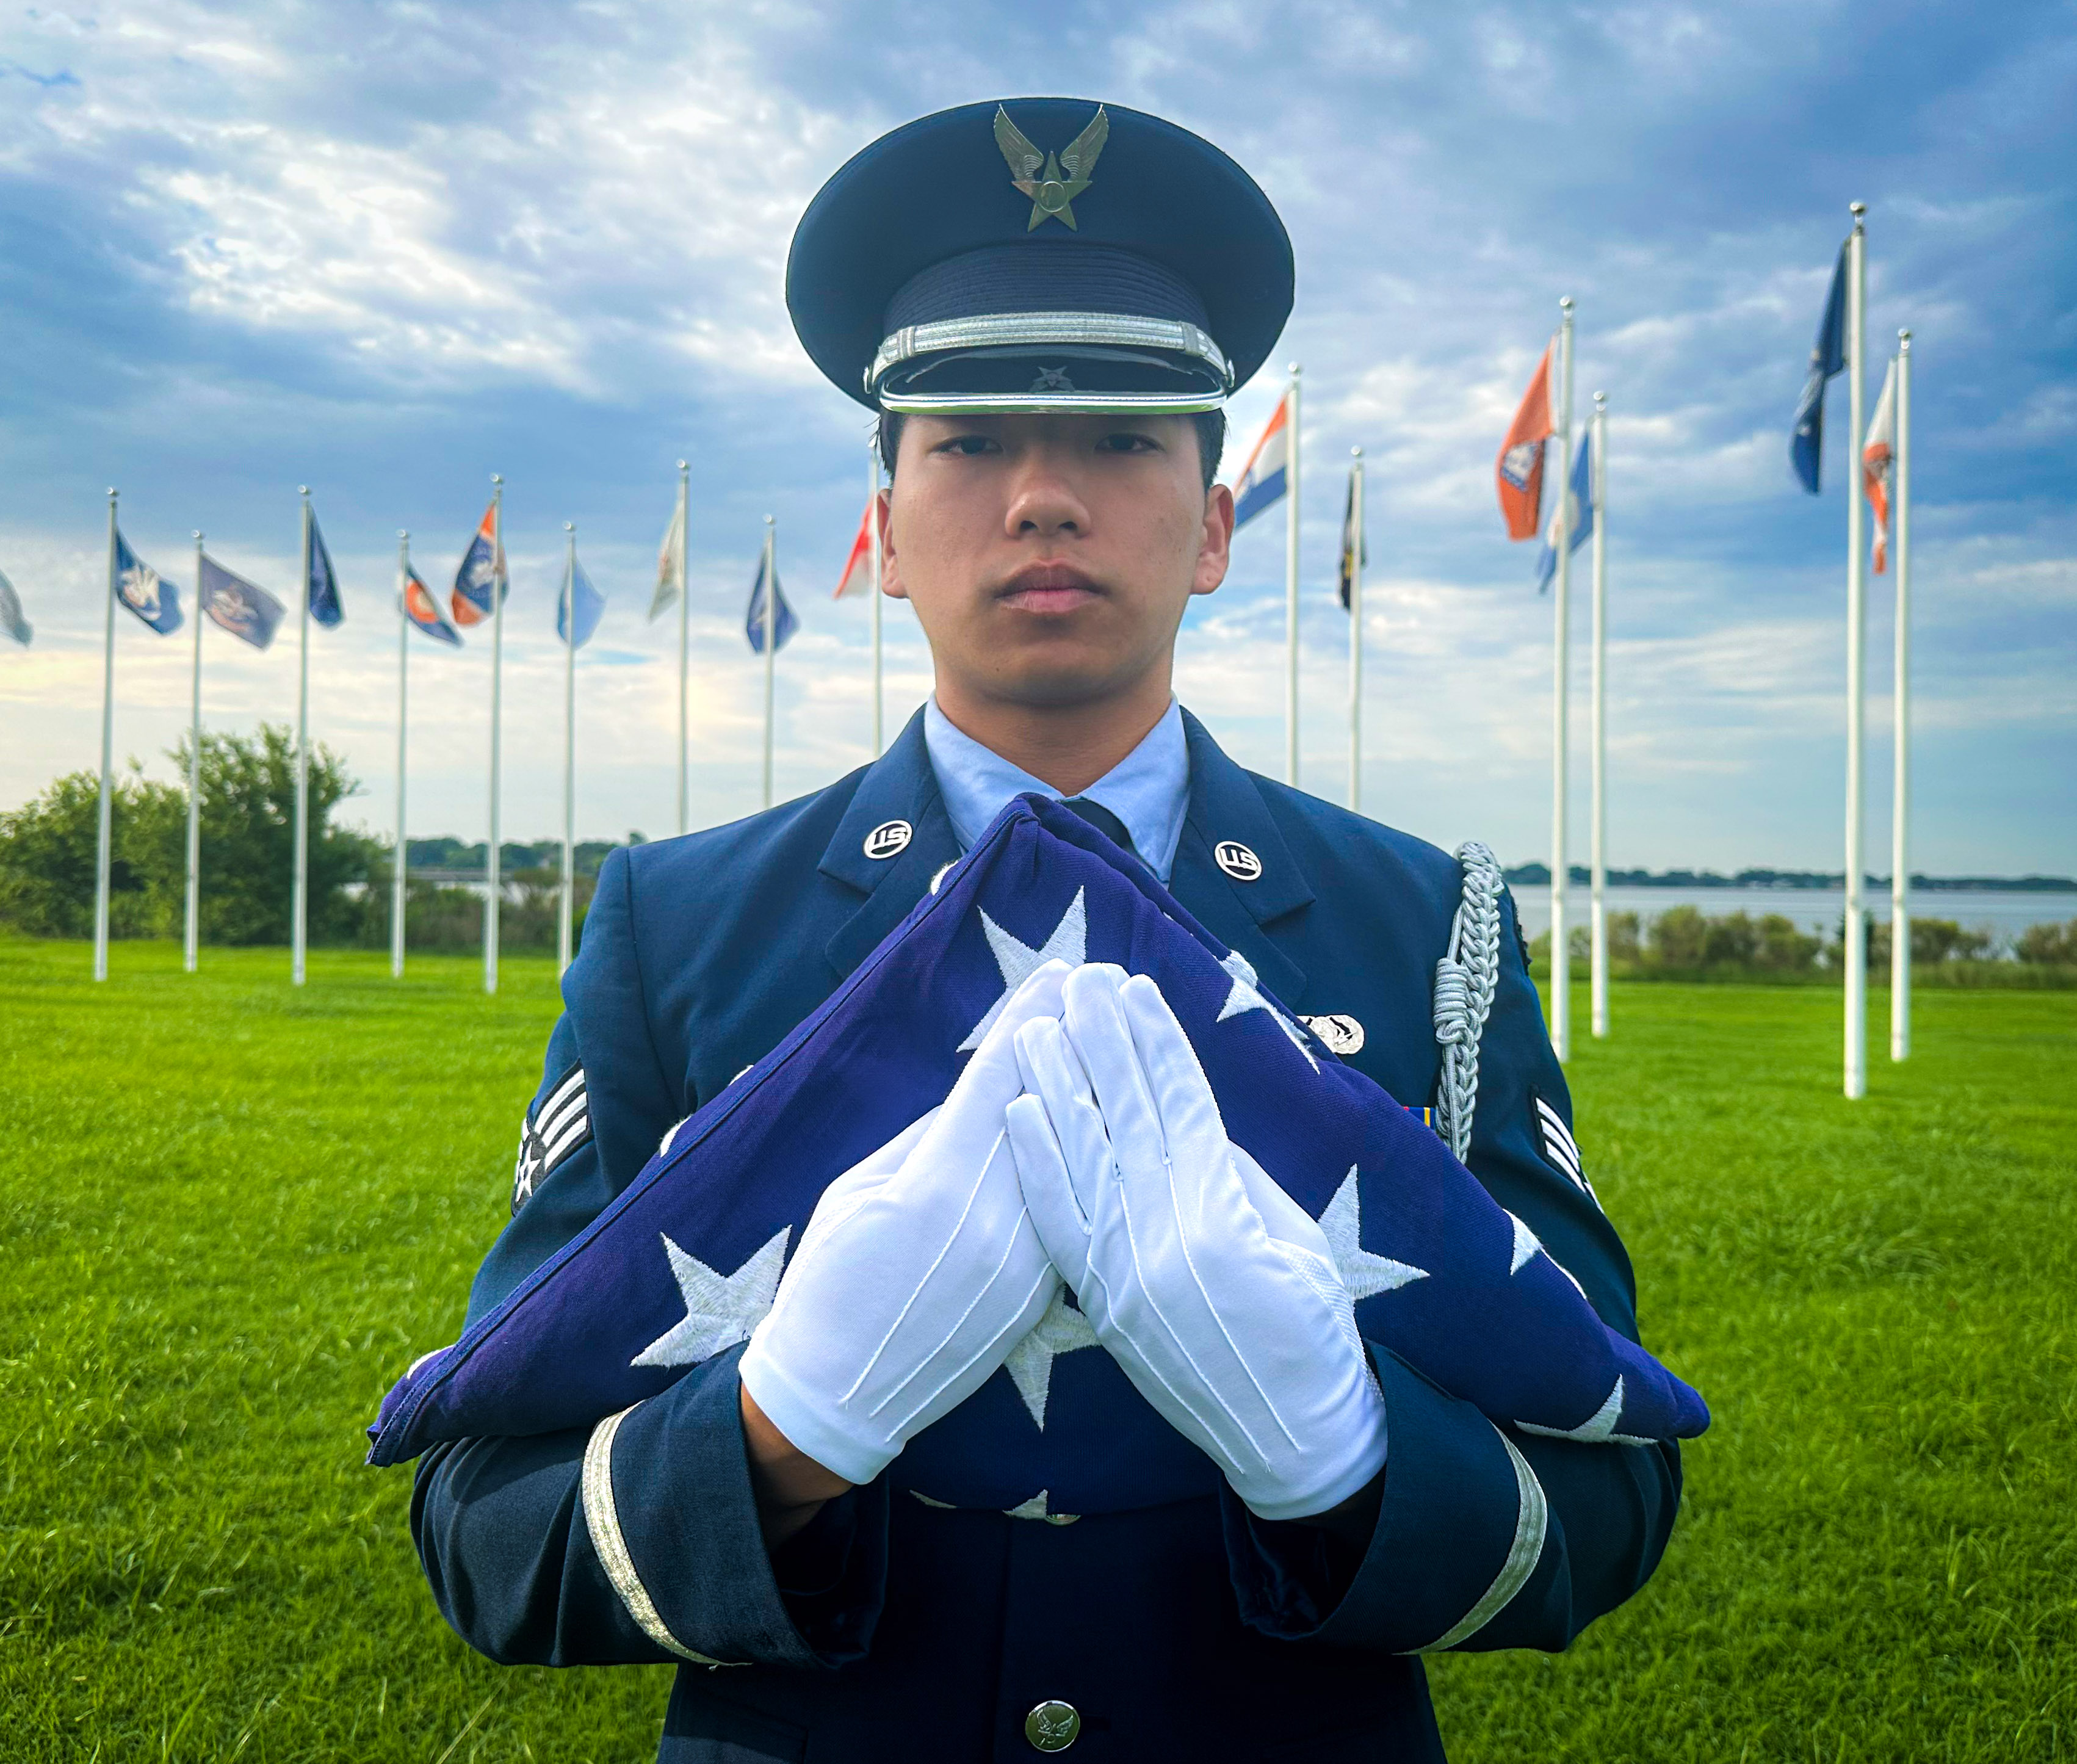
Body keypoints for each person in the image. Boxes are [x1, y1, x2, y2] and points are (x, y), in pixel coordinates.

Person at [410, 97, 1683, 1762]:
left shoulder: (1419, 918)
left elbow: (1608, 1478)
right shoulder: (683, 922)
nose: (1039, 499)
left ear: (1215, 525)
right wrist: (785, 1429)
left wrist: (1337, 1454)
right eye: (968, 439)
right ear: (881, 529)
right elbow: (487, 1520)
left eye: (1122, 439)